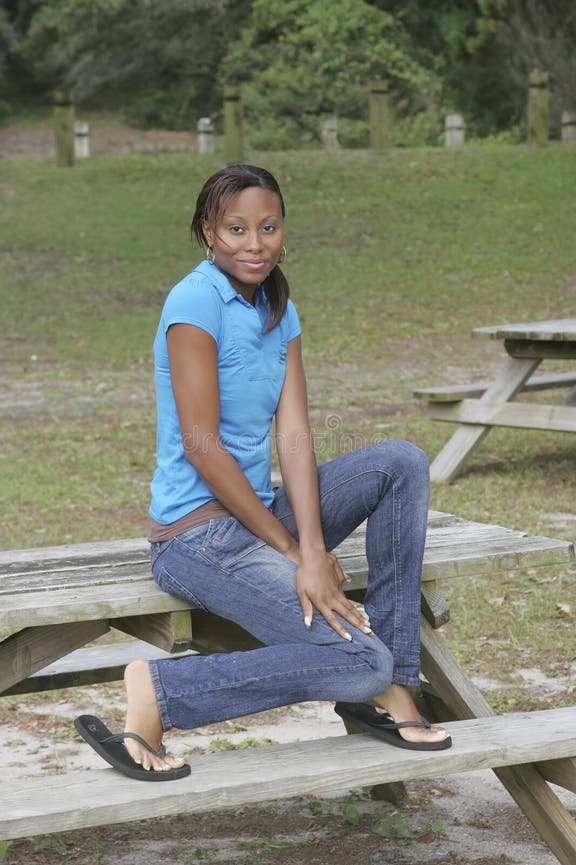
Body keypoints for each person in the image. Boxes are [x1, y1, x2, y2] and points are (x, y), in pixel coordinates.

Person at [75, 164, 451, 781]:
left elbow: (295, 436)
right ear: (208, 232)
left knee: (400, 464)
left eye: (268, 227)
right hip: (197, 537)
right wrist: (296, 552)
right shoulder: (195, 301)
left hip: (256, 514)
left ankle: (397, 685)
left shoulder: (279, 306)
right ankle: (159, 690)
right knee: (360, 665)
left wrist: (309, 547)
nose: (255, 244)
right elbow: (202, 445)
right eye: (237, 228)